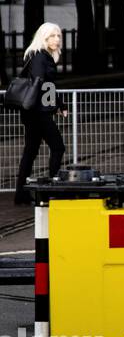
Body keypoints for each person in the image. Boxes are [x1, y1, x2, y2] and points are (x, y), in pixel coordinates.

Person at [14, 23, 68, 205]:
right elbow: (42, 83)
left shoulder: (40, 55)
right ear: (44, 38)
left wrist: (59, 105)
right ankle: (52, 189)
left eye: (58, 36)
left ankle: (20, 194)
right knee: (58, 147)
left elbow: (47, 84)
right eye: (52, 36)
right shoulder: (40, 57)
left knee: (30, 151)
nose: (57, 40)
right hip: (38, 112)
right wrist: (56, 105)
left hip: (33, 111)